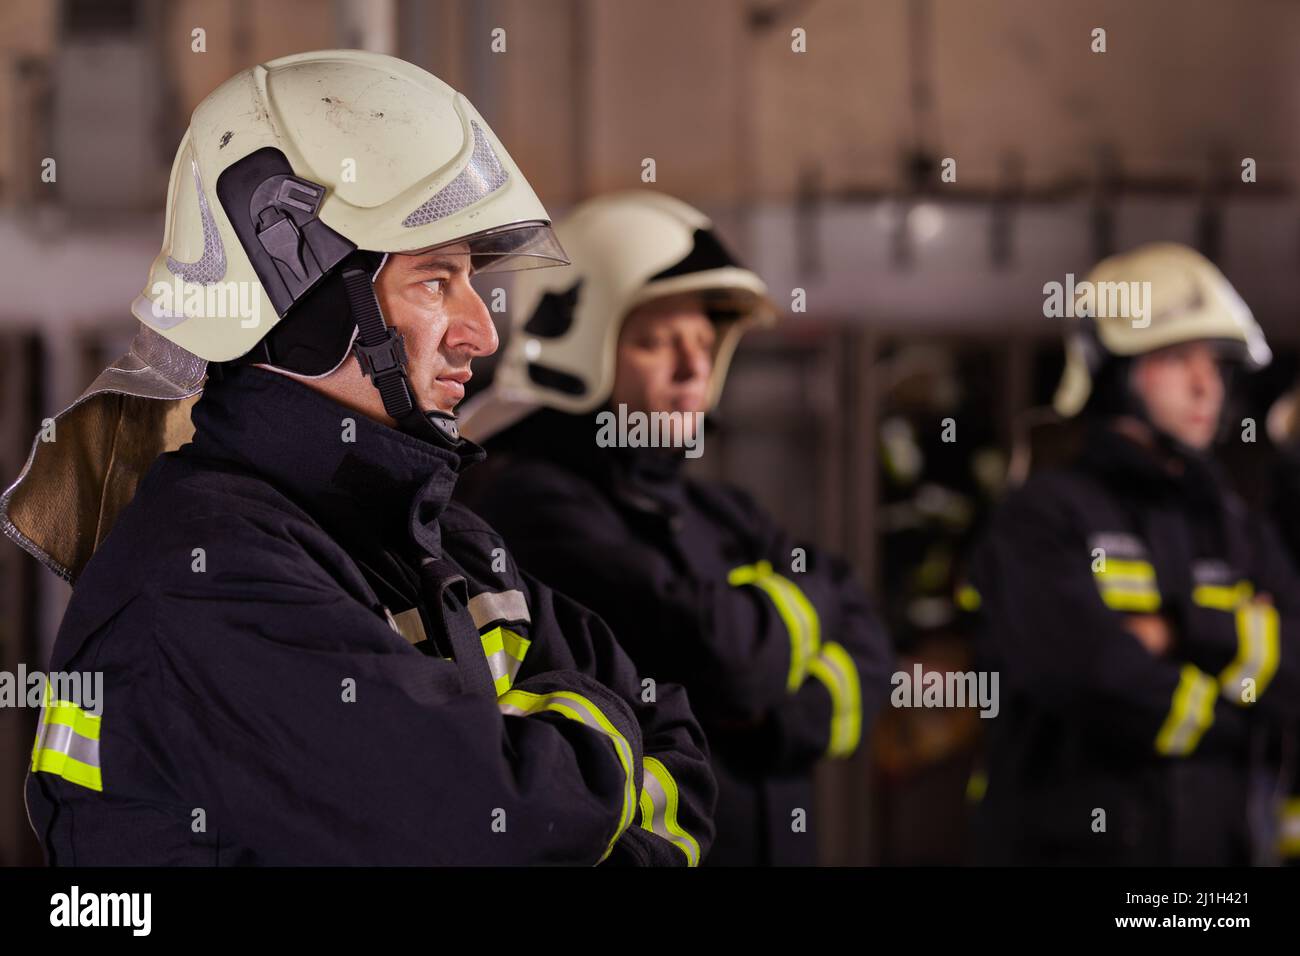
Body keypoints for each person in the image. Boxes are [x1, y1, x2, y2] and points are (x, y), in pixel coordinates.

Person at [1, 51, 715, 866]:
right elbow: (497, 829)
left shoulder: (451, 545)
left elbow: (676, 741)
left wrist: (561, 769)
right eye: (435, 282)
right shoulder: (204, 580)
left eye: (470, 281)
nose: (481, 332)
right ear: (300, 303)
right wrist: (594, 742)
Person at [457, 191, 893, 865]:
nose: (694, 369)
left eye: (704, 341)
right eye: (656, 342)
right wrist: (783, 646)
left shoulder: (723, 511)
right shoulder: (527, 504)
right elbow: (727, 664)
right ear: (579, 340)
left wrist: (776, 724)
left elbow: (863, 640)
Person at [965, 242, 1300, 864]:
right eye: (1176, 359)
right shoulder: (1042, 517)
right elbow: (1088, 680)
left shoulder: (1234, 525)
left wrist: (1176, 630)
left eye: (1217, 364)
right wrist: (1240, 702)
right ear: (1113, 373)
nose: (1206, 386)